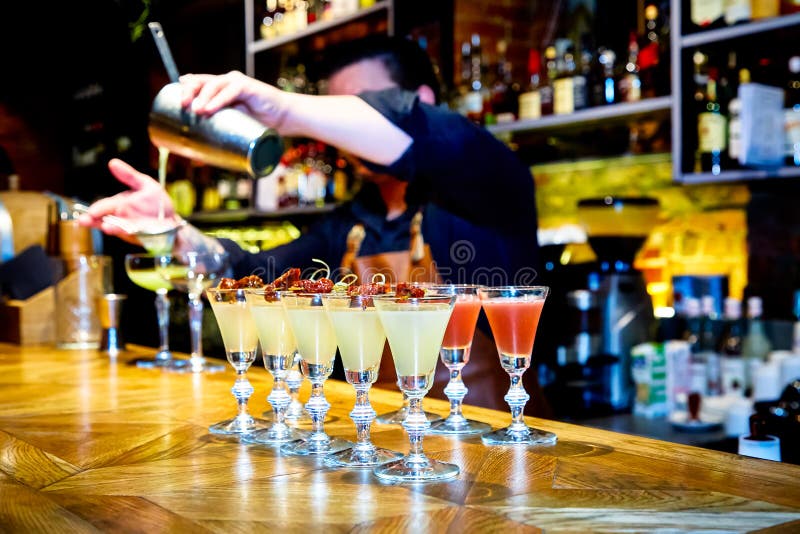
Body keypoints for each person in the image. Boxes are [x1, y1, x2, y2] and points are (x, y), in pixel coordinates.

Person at [81, 34, 548, 414]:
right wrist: (174, 232)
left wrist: (287, 110)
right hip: (384, 445)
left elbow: (421, 131)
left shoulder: (491, 187)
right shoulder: (349, 224)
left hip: (493, 444)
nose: (334, 130)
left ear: (420, 100)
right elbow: (251, 273)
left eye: (357, 107)